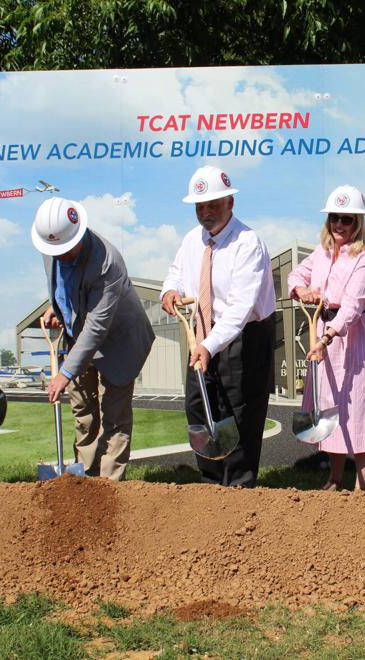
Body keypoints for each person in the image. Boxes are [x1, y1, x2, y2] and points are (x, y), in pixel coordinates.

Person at [161, 165, 275, 488]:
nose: (205, 213)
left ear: (230, 203)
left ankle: (239, 486)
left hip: (244, 336)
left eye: (213, 205)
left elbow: (240, 308)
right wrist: (169, 291)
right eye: (200, 206)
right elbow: (175, 272)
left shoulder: (247, 243)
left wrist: (209, 346)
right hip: (201, 332)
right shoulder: (191, 240)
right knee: (198, 406)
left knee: (237, 412)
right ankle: (211, 483)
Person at [31, 197, 155, 481]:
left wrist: (64, 374)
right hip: (79, 337)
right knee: (83, 413)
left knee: (115, 416)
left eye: (65, 249)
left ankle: (110, 485)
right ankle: (83, 479)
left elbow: (97, 326)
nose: (60, 255)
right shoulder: (51, 245)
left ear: (78, 234)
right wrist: (58, 309)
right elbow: (66, 285)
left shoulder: (107, 262)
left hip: (119, 342)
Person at [287, 185, 365, 491]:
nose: (339, 224)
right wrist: (302, 290)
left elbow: (352, 306)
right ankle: (334, 478)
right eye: (334, 217)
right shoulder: (322, 252)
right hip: (325, 329)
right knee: (330, 401)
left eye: (346, 219)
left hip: (357, 335)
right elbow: (295, 276)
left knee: (361, 403)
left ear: (358, 222)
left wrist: (326, 338)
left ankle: (363, 482)